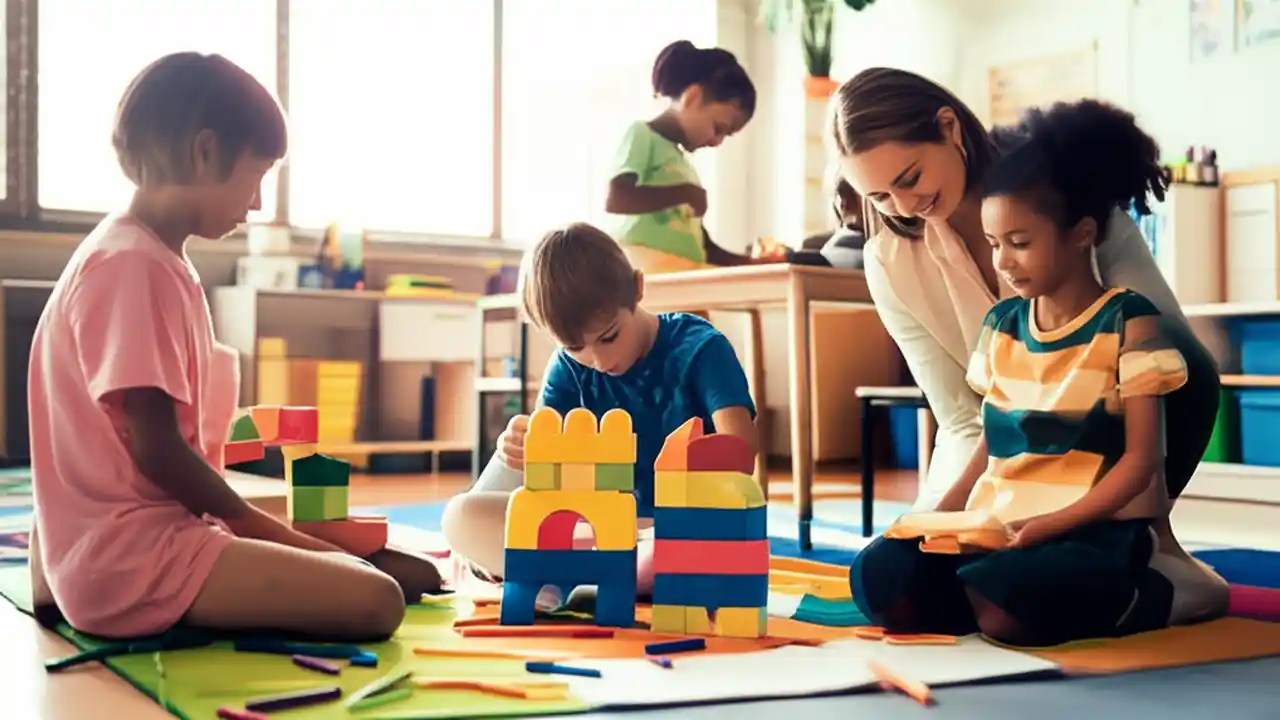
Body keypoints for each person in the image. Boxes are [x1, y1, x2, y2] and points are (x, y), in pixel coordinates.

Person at [26, 52, 439, 641]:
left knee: (402, 571)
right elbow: (159, 451)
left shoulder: (144, 256)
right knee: (379, 599)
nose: (257, 203)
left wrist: (291, 541)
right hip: (135, 557)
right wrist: (294, 543)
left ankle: (65, 572)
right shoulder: (132, 267)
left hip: (128, 537)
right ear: (205, 152)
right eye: (257, 176)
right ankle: (83, 582)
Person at [830, 68, 1228, 624]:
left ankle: (1145, 568)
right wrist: (937, 521)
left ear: (949, 128)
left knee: (1012, 596)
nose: (903, 204)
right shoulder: (889, 261)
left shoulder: (1062, 196)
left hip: (1102, 443)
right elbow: (963, 419)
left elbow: (1164, 362)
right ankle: (1038, 580)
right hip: (1007, 465)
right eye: (879, 195)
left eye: (910, 176)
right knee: (884, 578)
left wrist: (1149, 529)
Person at [441, 222, 757, 606]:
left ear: (637, 289)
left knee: (670, 554)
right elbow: (544, 488)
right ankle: (571, 575)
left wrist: (655, 522)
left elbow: (740, 455)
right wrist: (524, 448)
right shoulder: (569, 368)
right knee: (460, 515)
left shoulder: (700, 348)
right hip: (592, 530)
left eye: (609, 336)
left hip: (671, 530)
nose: (601, 361)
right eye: (577, 347)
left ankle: (553, 576)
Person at [605, 40, 765, 273]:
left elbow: (703, 245)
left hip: (684, 277)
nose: (717, 141)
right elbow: (616, 198)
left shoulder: (680, 165)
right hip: (647, 276)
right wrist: (684, 193)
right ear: (693, 97)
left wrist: (752, 264)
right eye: (718, 128)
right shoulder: (641, 134)